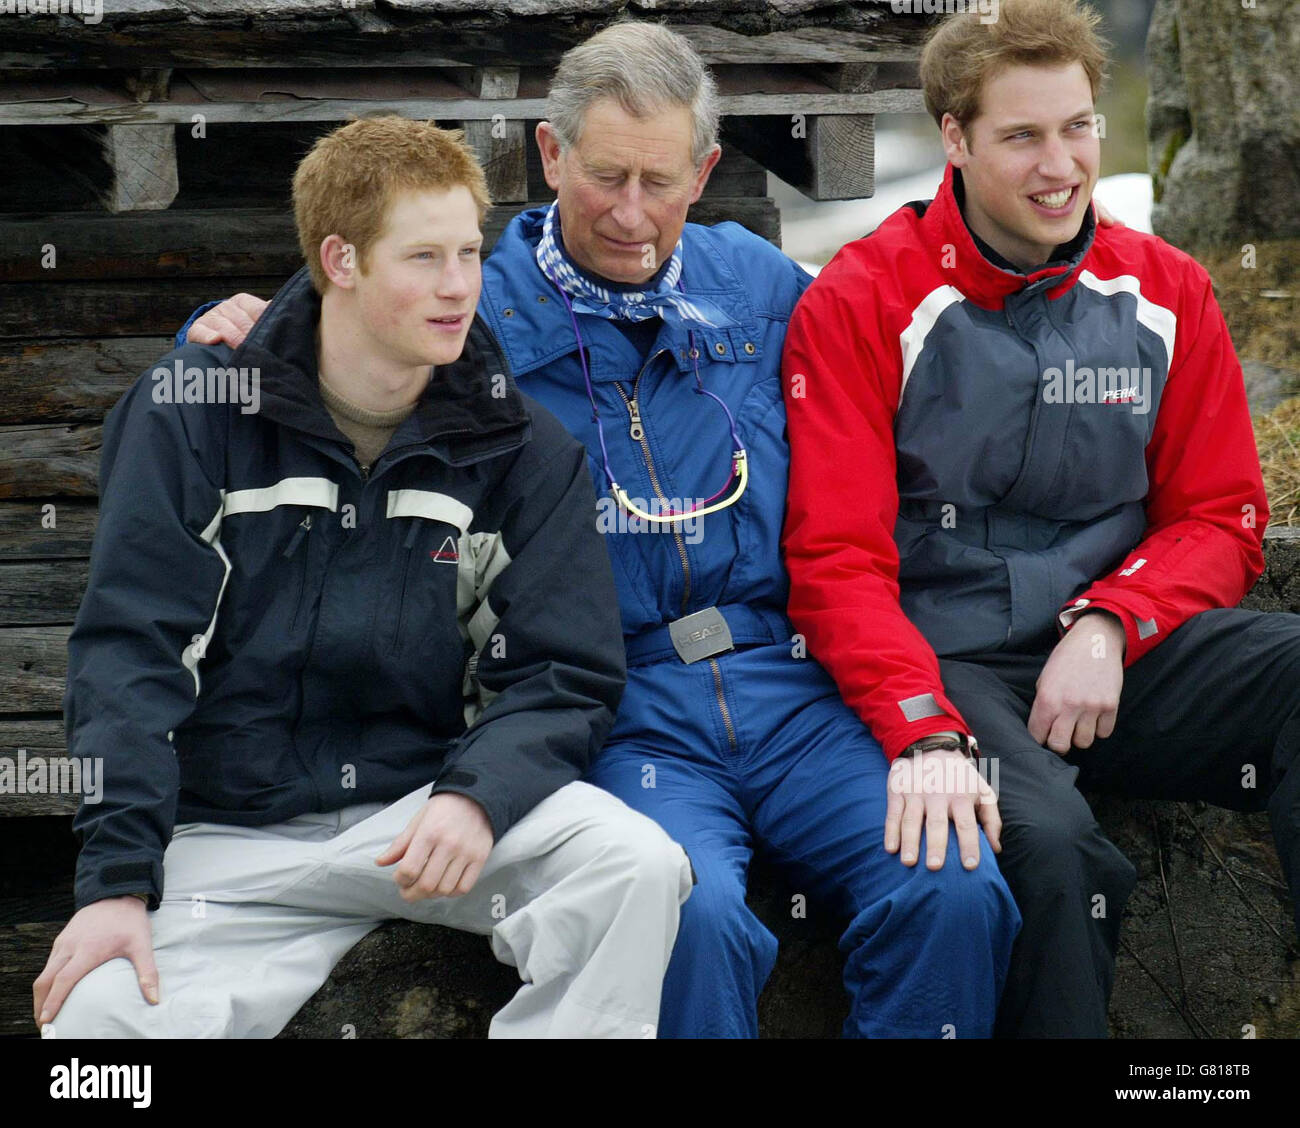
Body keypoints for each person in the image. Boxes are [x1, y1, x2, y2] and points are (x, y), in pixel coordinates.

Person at [181, 21, 1022, 1038]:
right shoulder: (469, 306)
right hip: (614, 703)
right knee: (688, 911)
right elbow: (333, 323)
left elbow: (916, 329)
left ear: (705, 170)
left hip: (791, 681)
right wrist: (224, 340)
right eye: (605, 177)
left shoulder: (759, 287)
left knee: (950, 880)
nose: (633, 215)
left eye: (660, 183)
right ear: (550, 154)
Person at [33, 116, 694, 1040]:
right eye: (424, 257)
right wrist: (114, 884)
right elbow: (129, 653)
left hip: (423, 814)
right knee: (93, 1030)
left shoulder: (518, 446)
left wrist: (478, 795)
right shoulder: (193, 414)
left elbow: (564, 671)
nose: (461, 285)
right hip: (225, 838)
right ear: (340, 259)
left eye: (469, 251)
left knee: (635, 866)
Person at [781, 0, 1300, 1039]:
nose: (1058, 164)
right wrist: (920, 725)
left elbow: (1220, 516)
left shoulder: (1167, 291)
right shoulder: (859, 301)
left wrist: (1114, 620)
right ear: (957, 140)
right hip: (950, 668)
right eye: (1021, 136)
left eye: (1077, 127)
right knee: (1055, 855)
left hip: (1121, 657)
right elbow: (834, 561)